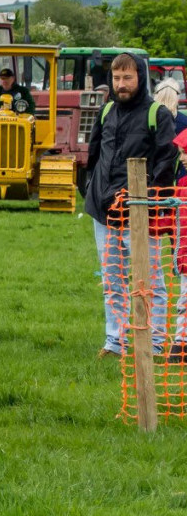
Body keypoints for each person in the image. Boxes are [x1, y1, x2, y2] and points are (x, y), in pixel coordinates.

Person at [85, 53, 176, 359]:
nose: (121, 84)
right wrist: (92, 189)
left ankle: (155, 341)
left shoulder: (157, 114)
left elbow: (166, 161)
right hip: (103, 211)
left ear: (141, 77)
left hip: (139, 211)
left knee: (149, 280)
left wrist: (148, 200)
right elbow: (94, 155)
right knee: (112, 279)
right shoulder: (106, 111)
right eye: (116, 78)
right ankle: (115, 341)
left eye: (127, 78)